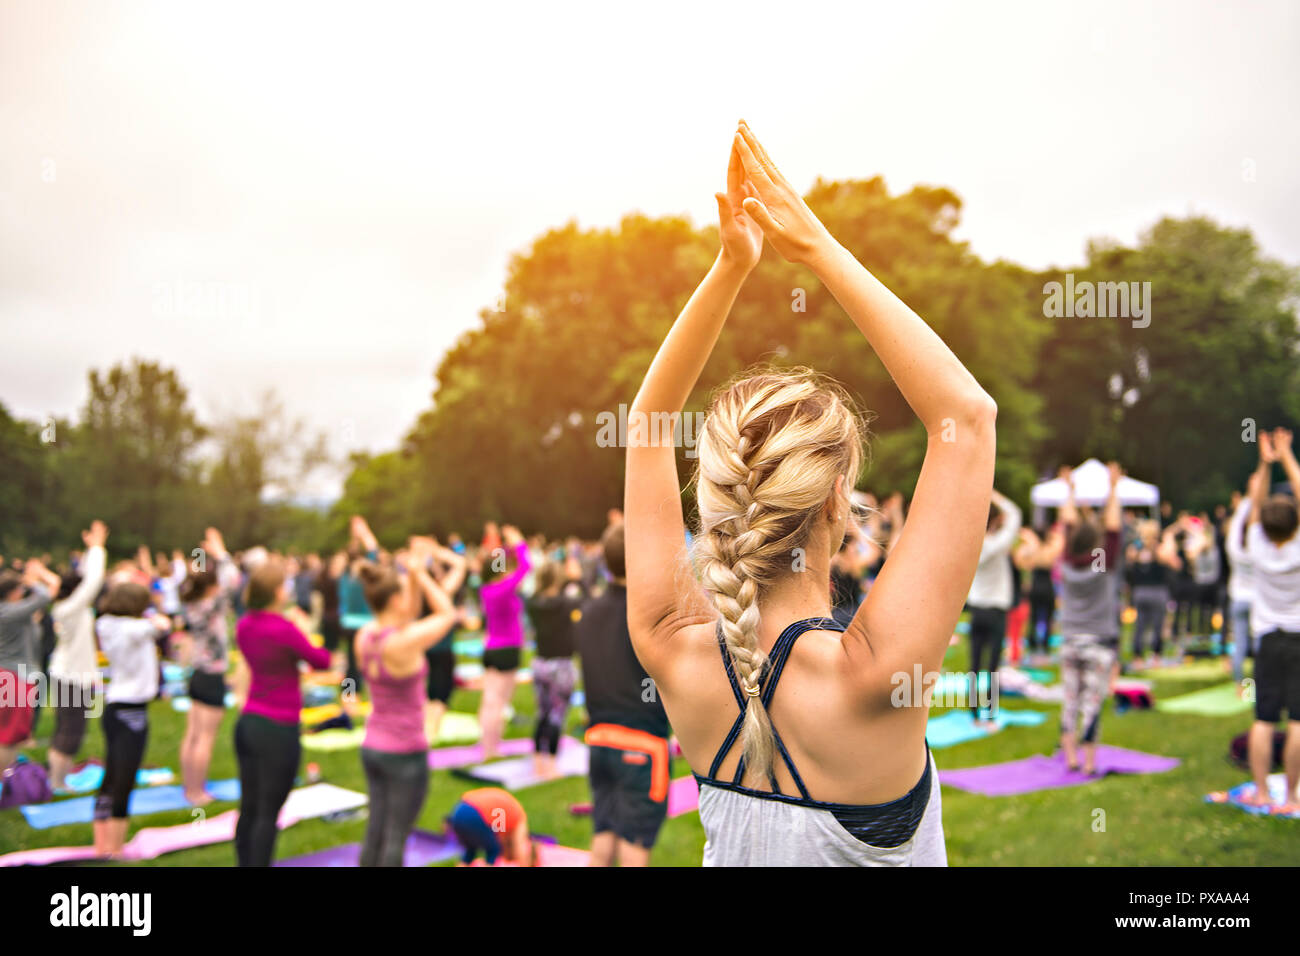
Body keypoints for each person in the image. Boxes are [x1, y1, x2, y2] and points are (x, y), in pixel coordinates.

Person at [624, 123, 996, 866]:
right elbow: (965, 416)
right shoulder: (873, 675)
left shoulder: (670, 648)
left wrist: (732, 265)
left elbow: (646, 424)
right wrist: (817, 248)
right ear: (836, 504)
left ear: (721, 501)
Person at [353, 538, 459, 866]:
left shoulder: (367, 635)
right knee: (396, 836)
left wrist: (412, 576)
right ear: (395, 599)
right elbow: (447, 613)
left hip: (373, 746)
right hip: (404, 752)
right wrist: (423, 575)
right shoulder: (402, 644)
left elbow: (409, 613)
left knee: (376, 829)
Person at [573, 523, 671, 866]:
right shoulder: (648, 615)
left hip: (600, 739)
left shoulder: (588, 611)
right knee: (634, 843)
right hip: (641, 745)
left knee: (603, 836)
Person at [233, 558, 332, 866]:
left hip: (249, 723)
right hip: (278, 726)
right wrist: (302, 628)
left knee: (250, 806)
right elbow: (321, 660)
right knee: (267, 811)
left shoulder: (245, 624)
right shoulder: (285, 628)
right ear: (278, 592)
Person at [1026, 464, 1124, 775]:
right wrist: (1113, 488)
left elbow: (1067, 527)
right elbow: (1113, 529)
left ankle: (1070, 756)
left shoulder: (1067, 562)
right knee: (1092, 703)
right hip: (1098, 644)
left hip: (1070, 642)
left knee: (1070, 699)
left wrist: (1068, 490)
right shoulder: (1102, 564)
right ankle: (1090, 761)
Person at [1242, 429, 1300, 812]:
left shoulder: (1256, 545)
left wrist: (1264, 462)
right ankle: (1292, 797)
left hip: (1268, 639)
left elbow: (1254, 503)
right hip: (1299, 639)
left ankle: (1262, 792)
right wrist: (1288, 457)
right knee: (1297, 721)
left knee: (1264, 720)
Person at [93, 581, 172, 856]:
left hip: (115, 708)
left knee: (111, 777)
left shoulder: (106, 623)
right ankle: (115, 850)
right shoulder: (136, 628)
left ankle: (102, 845)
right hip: (132, 713)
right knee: (123, 781)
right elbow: (163, 624)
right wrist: (156, 611)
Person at [177, 527, 239, 805]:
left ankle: (188, 787)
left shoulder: (191, 604)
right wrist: (221, 552)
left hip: (197, 674)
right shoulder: (211, 604)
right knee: (205, 738)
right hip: (212, 676)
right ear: (212, 586)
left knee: (192, 734)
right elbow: (234, 579)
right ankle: (197, 792)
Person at [46, 521, 108, 791]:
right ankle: (58, 782)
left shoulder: (67, 606)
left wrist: (90, 551)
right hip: (71, 677)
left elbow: (85, 579)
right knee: (70, 733)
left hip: (67, 674)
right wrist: (97, 549)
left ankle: (57, 778)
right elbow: (91, 582)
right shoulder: (71, 609)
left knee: (66, 729)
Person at [525, 553, 584, 779]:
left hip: (540, 663)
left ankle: (537, 759)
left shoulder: (533, 603)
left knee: (543, 712)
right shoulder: (565, 603)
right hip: (561, 665)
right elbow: (586, 598)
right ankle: (550, 764)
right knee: (557, 715)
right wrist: (576, 579)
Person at [965, 490, 1022, 725]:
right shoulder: (997, 544)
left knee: (975, 665)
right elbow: (1015, 513)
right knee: (993, 668)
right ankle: (990, 717)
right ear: (997, 522)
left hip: (977, 611)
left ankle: (974, 714)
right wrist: (993, 494)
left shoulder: (972, 546)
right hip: (996, 613)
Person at [0, 557, 60, 770]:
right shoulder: (9, 611)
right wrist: (35, 577)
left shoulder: (14, 611)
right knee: (8, 737)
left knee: (10, 735)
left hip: (16, 674)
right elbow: (45, 595)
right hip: (14, 676)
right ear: (12, 591)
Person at [477, 524, 531, 760]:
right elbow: (526, 567)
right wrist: (518, 542)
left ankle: (487, 744)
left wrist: (503, 547)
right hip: (507, 649)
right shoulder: (502, 589)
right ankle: (491, 748)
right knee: (498, 702)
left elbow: (506, 565)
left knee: (490, 699)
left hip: (492, 648)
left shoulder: (488, 590)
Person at [419, 538, 468, 746]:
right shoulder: (441, 592)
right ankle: (430, 733)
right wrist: (436, 550)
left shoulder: (418, 591)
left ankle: (428, 729)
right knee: (440, 692)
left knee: (430, 691)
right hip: (441, 648)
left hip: (425, 647)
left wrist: (424, 555)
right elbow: (460, 565)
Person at [1124, 520, 1181, 667]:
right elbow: (1175, 564)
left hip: (1140, 592)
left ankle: (1138, 657)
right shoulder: (1159, 549)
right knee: (1157, 625)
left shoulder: (1135, 548)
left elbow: (1129, 561)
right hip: (1157, 591)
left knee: (1140, 626)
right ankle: (1156, 656)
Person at [445, 786, 534, 866]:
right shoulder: (519, 819)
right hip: (475, 813)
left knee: (471, 850)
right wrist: (526, 863)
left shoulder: (505, 820)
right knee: (493, 850)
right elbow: (519, 846)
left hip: (458, 812)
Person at [1224, 490, 1257, 685]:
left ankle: (1240, 686)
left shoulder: (1235, 549)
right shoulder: (1258, 551)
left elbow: (1236, 527)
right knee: (1257, 646)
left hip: (1238, 599)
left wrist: (1246, 502)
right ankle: (1253, 687)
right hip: (1256, 601)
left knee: (1239, 644)